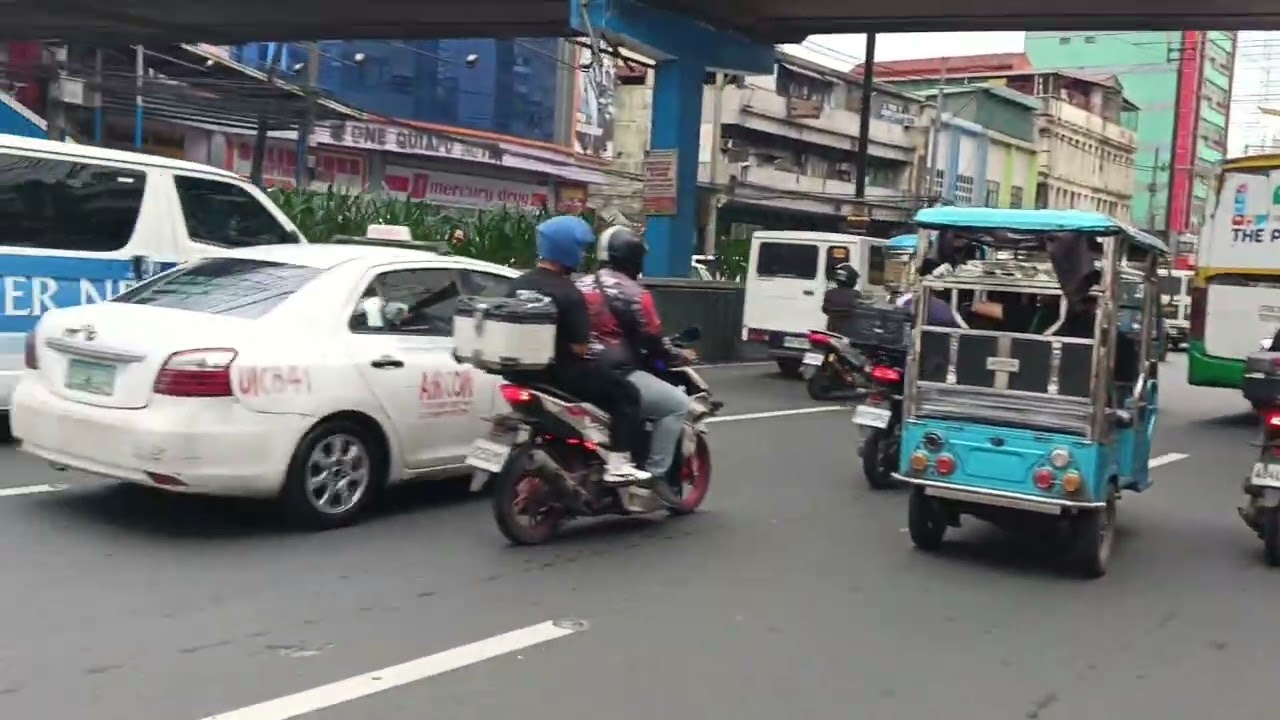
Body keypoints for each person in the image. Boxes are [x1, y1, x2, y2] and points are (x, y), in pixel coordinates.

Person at [508, 215, 650, 484]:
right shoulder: (568, 292)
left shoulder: (518, 284)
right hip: (562, 374)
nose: (583, 254)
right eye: (580, 248)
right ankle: (619, 464)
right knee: (628, 395)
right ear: (567, 248)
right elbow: (579, 347)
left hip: (522, 374)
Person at [577, 226, 696, 483]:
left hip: (577, 370)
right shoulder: (637, 294)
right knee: (677, 404)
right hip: (616, 372)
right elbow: (653, 341)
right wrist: (677, 355)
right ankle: (655, 476)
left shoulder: (580, 284)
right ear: (634, 258)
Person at [822, 263, 862, 333]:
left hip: (832, 330)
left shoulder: (830, 293)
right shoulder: (856, 295)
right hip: (850, 332)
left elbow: (825, 309)